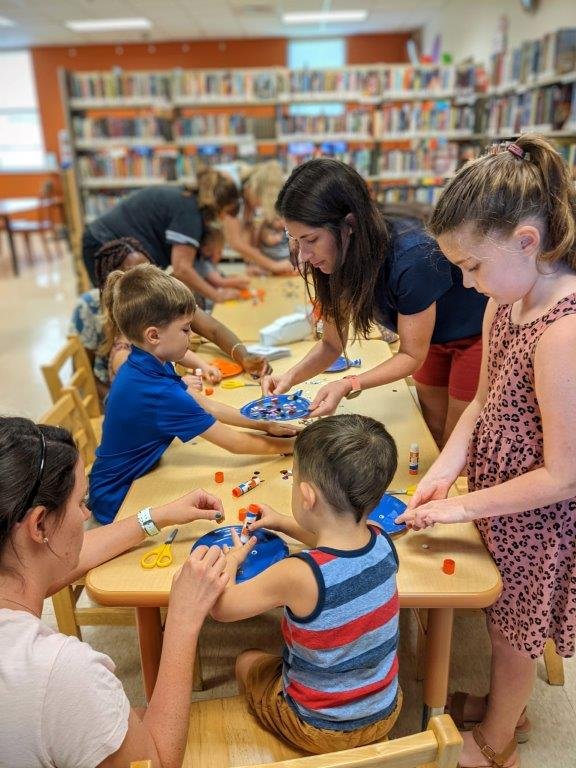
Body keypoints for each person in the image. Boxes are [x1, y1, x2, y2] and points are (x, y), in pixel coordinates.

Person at [396, 135, 576, 768]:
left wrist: (458, 511)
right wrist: (447, 470)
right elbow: (480, 404)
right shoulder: (504, 300)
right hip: (498, 494)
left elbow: (563, 475)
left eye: (471, 266)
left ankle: (499, 742)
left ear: (527, 241)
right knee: (495, 607)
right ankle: (509, 709)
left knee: (512, 635)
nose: (465, 283)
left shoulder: (564, 331)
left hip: (539, 515)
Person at [0, 415, 230, 767]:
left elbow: (71, 554)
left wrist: (159, 516)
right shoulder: (61, 674)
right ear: (40, 523)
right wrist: (183, 620)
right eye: (80, 503)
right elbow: (157, 763)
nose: (87, 513)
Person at [261, 158, 488, 447]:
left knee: (458, 442)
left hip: (473, 337)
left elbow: (410, 355)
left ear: (349, 225)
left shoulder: (412, 258)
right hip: (429, 340)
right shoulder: (336, 260)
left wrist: (348, 383)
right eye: (296, 240)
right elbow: (332, 344)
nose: (304, 255)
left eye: (311, 239)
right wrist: (288, 378)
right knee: (432, 432)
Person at [211, 414, 402, 754]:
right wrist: (282, 523)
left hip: (315, 728)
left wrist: (231, 560)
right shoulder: (383, 542)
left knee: (246, 661)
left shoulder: (298, 572)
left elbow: (222, 608)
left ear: (307, 496)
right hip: (386, 712)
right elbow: (331, 544)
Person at [89, 264, 296, 524]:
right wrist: (296, 447)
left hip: (127, 482)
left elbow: (205, 405)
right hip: (118, 501)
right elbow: (234, 444)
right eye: (186, 329)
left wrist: (263, 424)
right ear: (153, 335)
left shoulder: (149, 362)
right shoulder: (156, 391)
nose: (190, 337)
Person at [70, 236, 271, 400]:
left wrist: (242, 357)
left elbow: (213, 330)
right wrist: (176, 386)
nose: (148, 282)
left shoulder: (158, 310)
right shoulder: (122, 350)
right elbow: (98, 382)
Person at [82, 169, 243, 305]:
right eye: (226, 212)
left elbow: (189, 266)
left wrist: (219, 286)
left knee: (129, 309)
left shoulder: (185, 198)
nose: (223, 220)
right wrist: (217, 296)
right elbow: (182, 268)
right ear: (218, 206)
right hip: (103, 242)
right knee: (126, 310)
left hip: (102, 239)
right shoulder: (189, 211)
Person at [220, 160, 295, 275]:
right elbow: (235, 241)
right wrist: (273, 265)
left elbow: (247, 228)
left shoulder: (247, 192)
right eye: (260, 202)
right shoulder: (232, 189)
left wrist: (253, 264)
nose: (259, 207)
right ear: (253, 189)